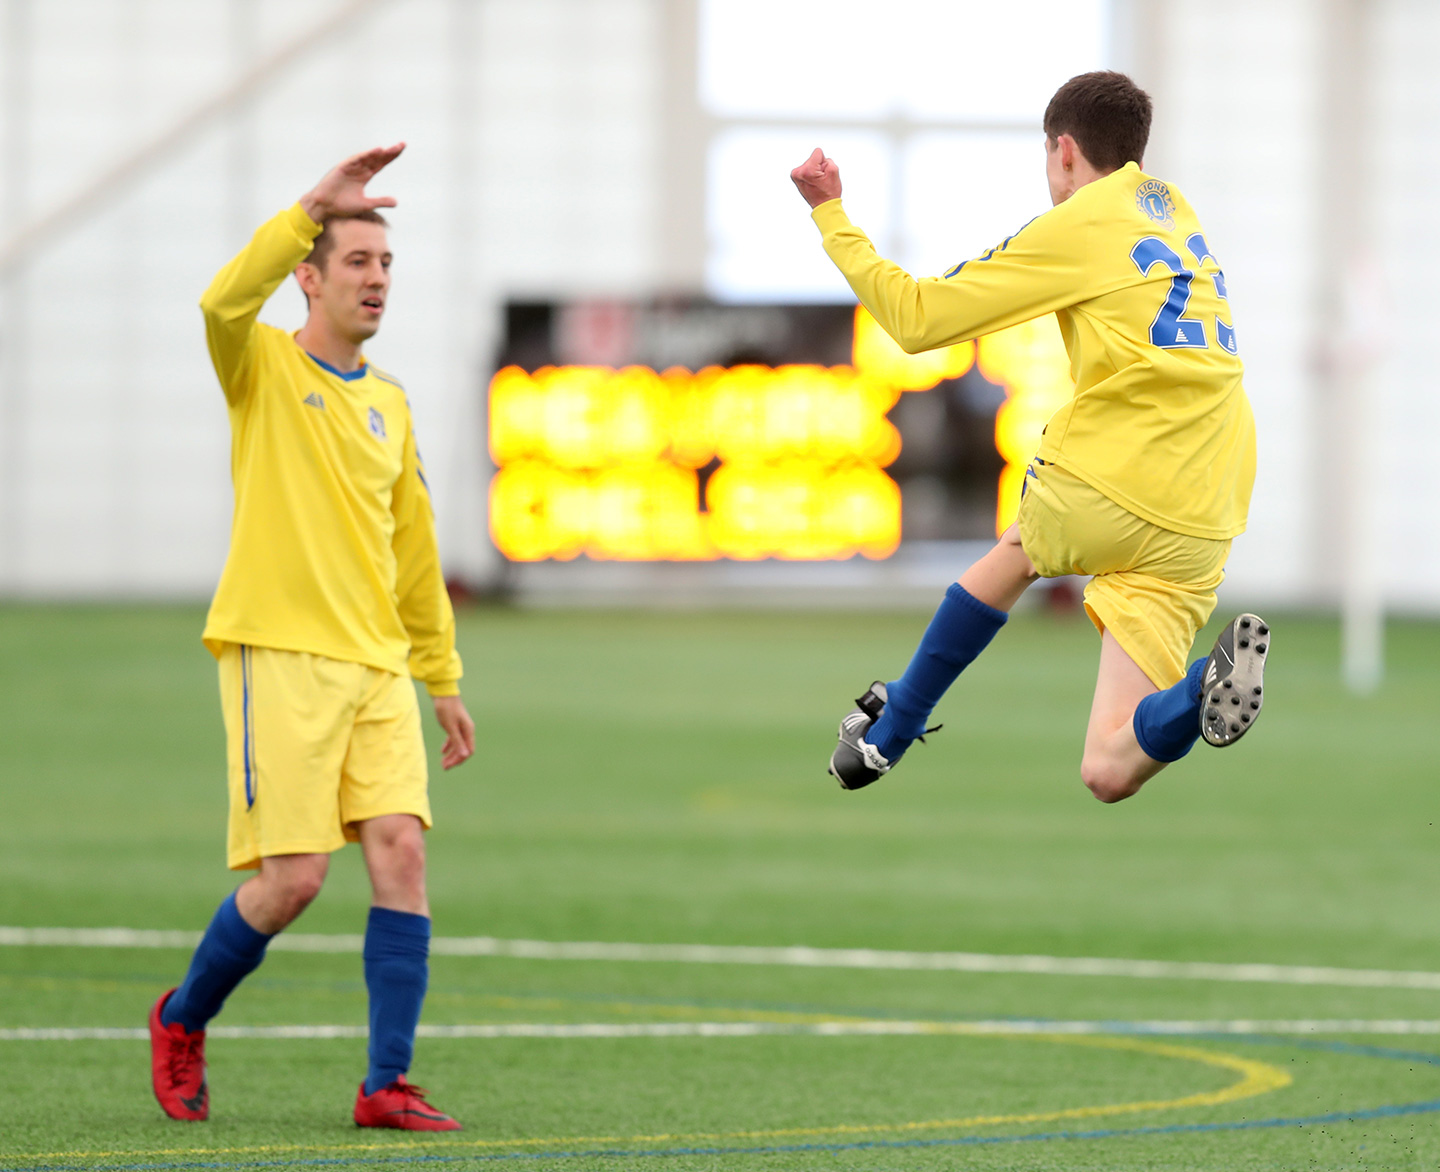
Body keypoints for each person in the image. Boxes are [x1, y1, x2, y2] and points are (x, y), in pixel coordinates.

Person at [791, 72, 1268, 799]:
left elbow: (918, 320)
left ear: (1065, 151)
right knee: (1109, 768)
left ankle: (893, 725)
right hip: (1211, 495)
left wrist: (831, 216)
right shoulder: (1176, 212)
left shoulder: (1079, 222)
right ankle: (1203, 688)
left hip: (1122, 468)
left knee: (1018, 551)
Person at [148, 144, 476, 1131]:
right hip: (279, 654)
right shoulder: (260, 366)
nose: (377, 280)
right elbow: (219, 302)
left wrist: (442, 676)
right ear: (312, 275)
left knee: (402, 855)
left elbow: (413, 551)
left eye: (386, 265)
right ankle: (181, 1014)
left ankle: (385, 1082)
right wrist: (308, 207)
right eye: (357, 262)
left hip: (378, 665)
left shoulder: (391, 402)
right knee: (292, 881)